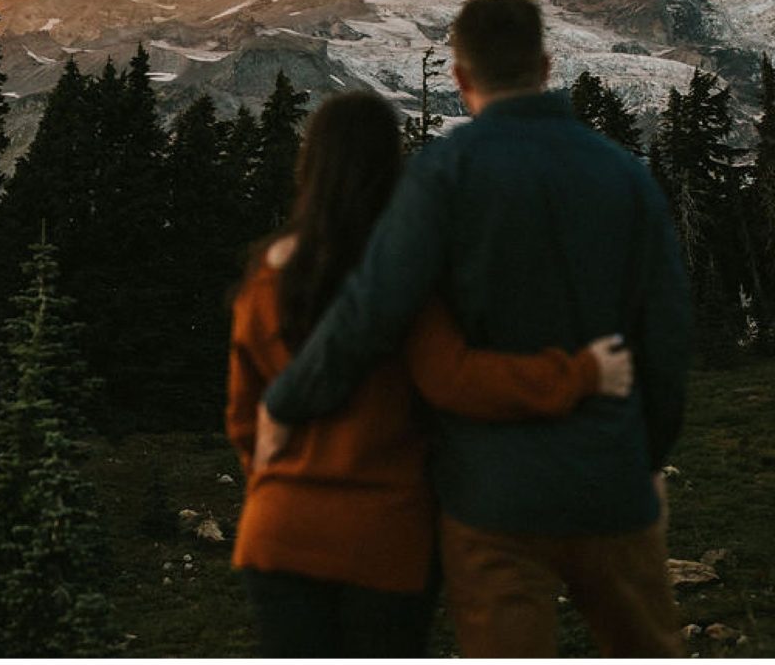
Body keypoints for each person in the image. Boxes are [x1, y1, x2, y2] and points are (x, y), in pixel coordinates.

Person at [257, 0, 692, 657]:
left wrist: (289, 398)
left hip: (493, 503)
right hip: (611, 482)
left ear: (460, 78)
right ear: (546, 66)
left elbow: (374, 307)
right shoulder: (623, 173)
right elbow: (664, 336)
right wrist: (647, 455)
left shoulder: (444, 174)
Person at [226, 90, 634, 658]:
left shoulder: (263, 280)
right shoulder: (403, 281)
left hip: (279, 531)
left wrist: (280, 485)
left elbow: (244, 420)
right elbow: (457, 380)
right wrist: (581, 374)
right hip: (384, 537)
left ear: (310, 165)